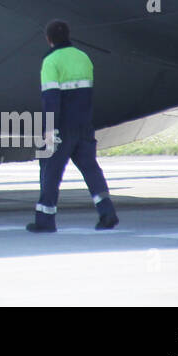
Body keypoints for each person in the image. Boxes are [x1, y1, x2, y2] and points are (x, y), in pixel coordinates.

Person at [27, 19, 119, 233]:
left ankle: (45, 220)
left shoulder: (51, 61)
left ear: (48, 39)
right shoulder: (84, 58)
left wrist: (49, 130)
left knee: (50, 171)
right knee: (91, 169)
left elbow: (51, 99)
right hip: (84, 125)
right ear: (68, 36)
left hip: (62, 127)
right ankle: (107, 213)